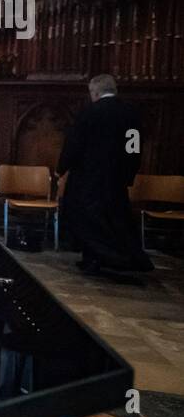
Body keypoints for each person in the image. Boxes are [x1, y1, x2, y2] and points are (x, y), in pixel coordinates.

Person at [57, 74, 153, 274]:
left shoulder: (89, 113)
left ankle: (100, 258)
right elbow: (134, 147)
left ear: (95, 92)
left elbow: (74, 144)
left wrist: (62, 168)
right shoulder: (130, 114)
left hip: (88, 178)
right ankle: (106, 258)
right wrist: (130, 172)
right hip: (116, 178)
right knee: (115, 218)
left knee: (86, 219)